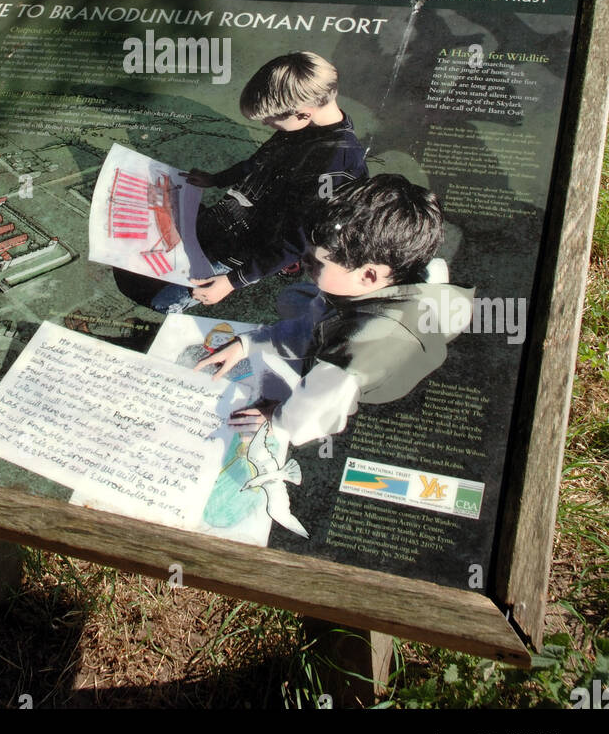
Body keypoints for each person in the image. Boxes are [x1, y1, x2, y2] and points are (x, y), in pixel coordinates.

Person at [195, 174, 473, 446]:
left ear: (369, 276)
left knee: (313, 337)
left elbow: (314, 413)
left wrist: (276, 419)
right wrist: (249, 343)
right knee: (295, 299)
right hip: (390, 316)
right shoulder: (388, 268)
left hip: (371, 365)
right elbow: (311, 321)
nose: (303, 264)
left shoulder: (356, 353)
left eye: (316, 263)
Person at [153, 51, 366, 312]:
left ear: (303, 114)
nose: (267, 124)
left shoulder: (336, 162)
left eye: (271, 121)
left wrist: (231, 282)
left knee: (165, 302)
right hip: (239, 222)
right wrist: (216, 179)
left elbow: (297, 241)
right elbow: (259, 161)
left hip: (254, 250)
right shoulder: (302, 126)